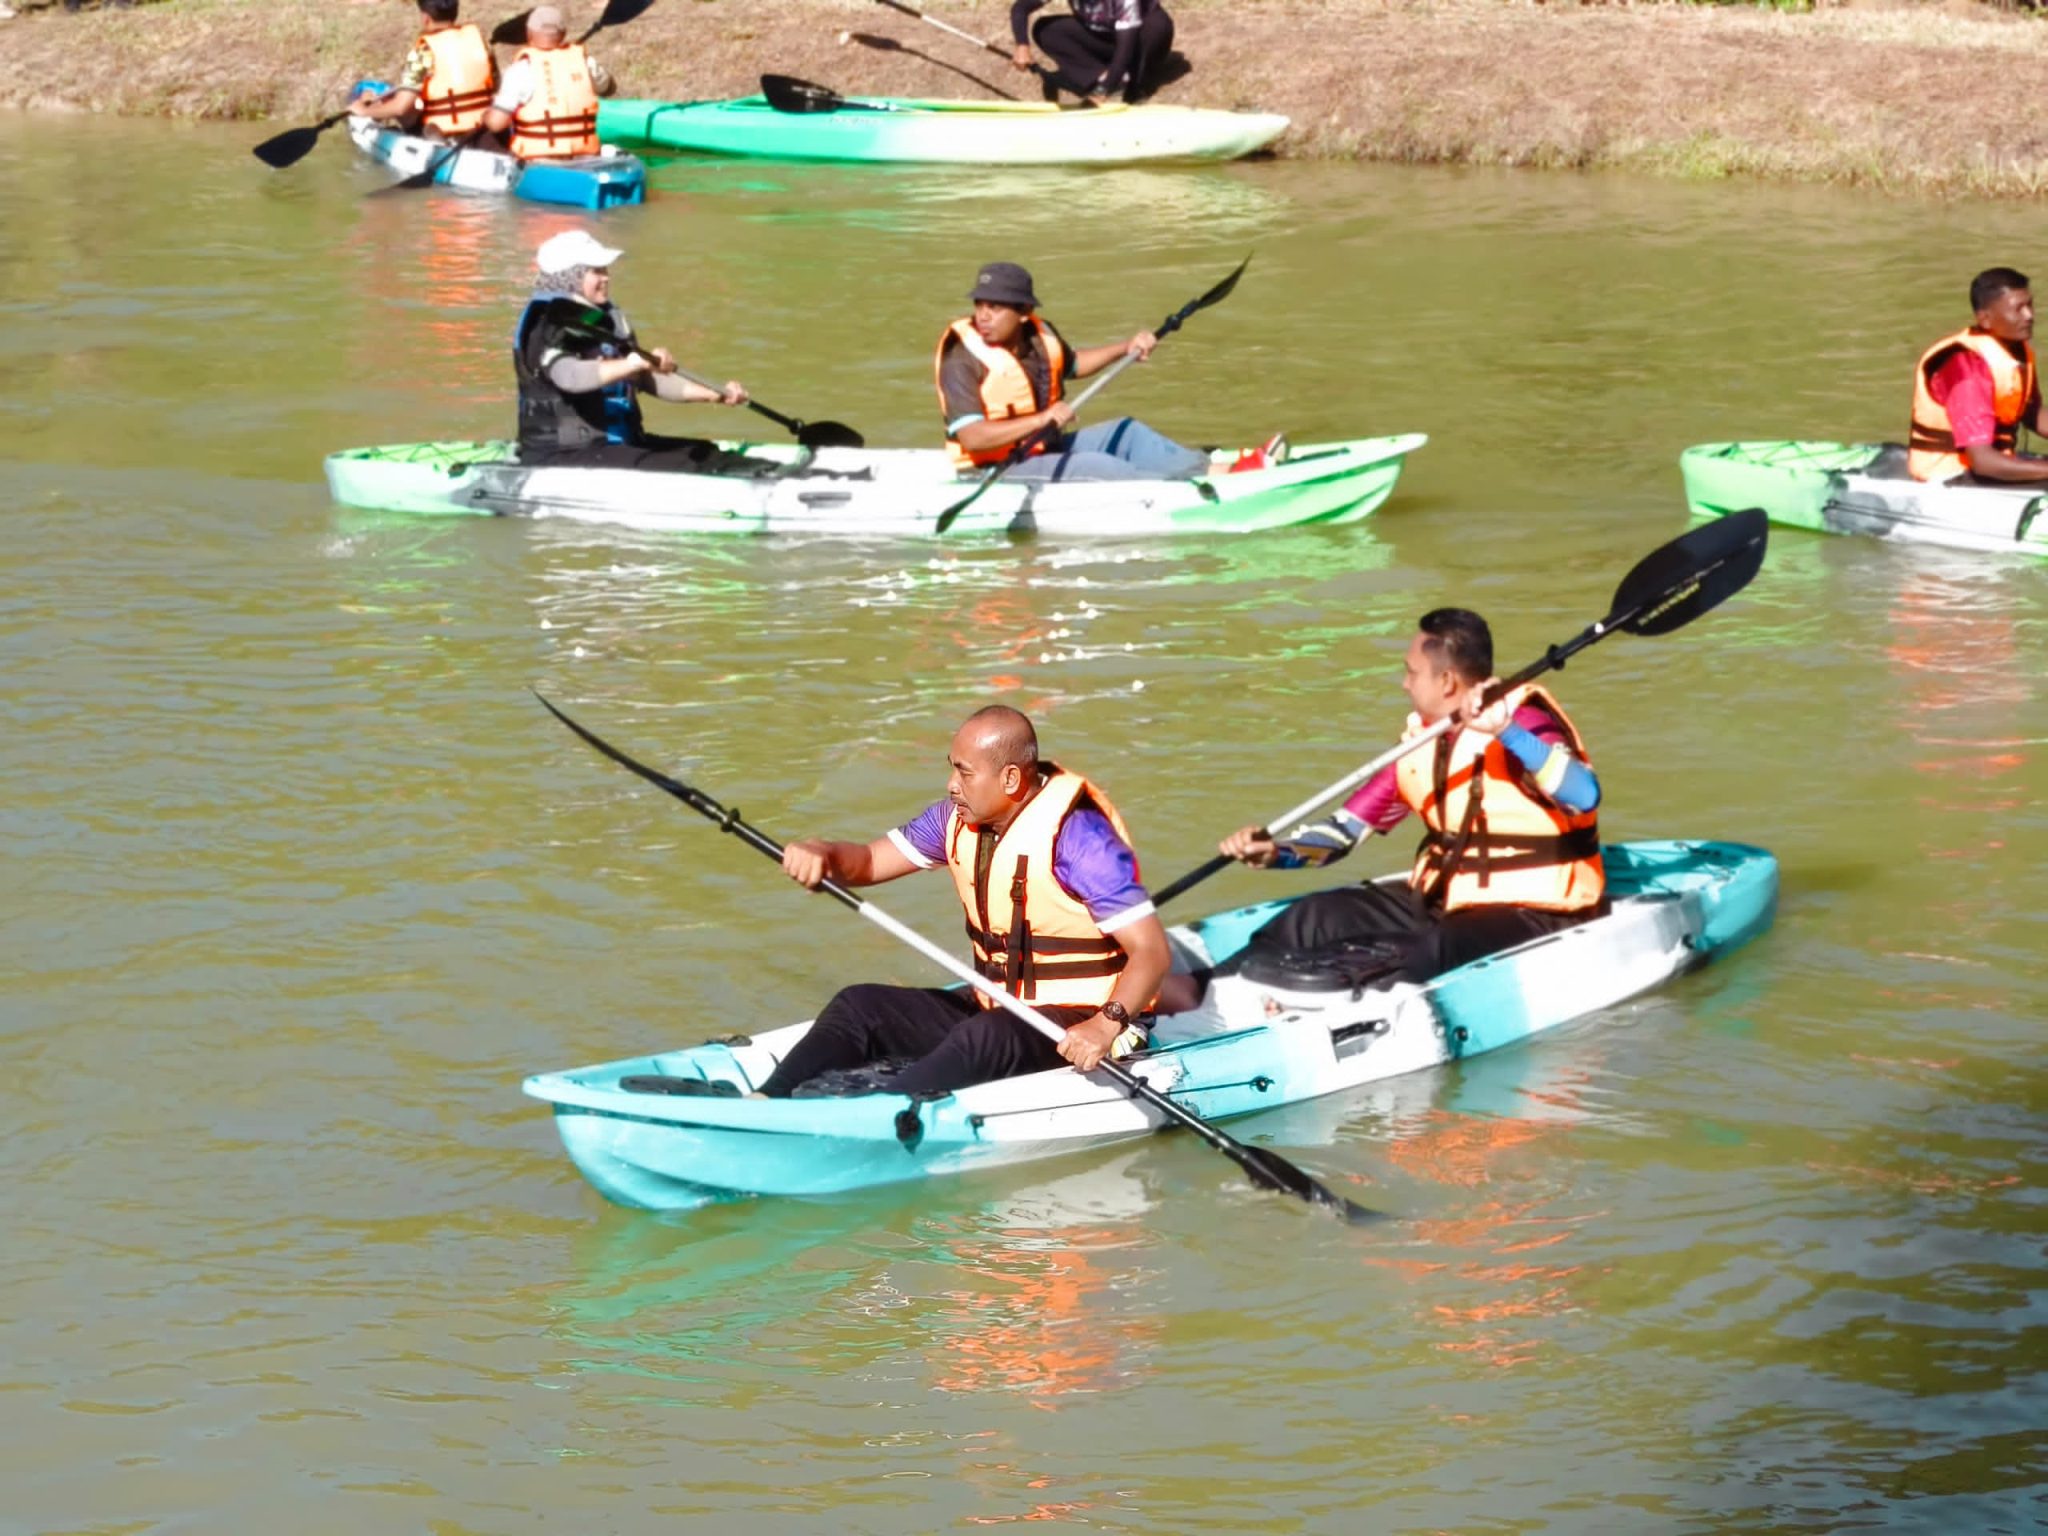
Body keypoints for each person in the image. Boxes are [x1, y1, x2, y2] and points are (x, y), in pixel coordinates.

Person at [744, 706, 1173, 1099]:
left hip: (1082, 1022)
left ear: (1009, 779)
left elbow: (1151, 951)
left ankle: (883, 1114)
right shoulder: (953, 820)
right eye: (952, 770)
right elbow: (869, 862)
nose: (952, 786)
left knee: (986, 1036)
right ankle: (766, 1100)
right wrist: (822, 852)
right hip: (1000, 1006)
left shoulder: (1081, 840)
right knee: (860, 1006)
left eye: (964, 774)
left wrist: (1104, 1024)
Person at [1202, 608, 1605, 991]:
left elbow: (1584, 796)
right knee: (1318, 916)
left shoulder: (1525, 720)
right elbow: (1344, 833)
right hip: (1445, 901)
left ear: (1446, 681)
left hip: (1536, 911)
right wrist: (1275, 853)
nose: (1405, 683)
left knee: (1435, 948)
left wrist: (1507, 731)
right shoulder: (1421, 742)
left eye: (1412, 673)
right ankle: (1206, 992)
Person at [935, 261, 1237, 484]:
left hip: (1042, 449)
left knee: (1127, 433)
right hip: (994, 469)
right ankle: (1190, 487)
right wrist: (1043, 419)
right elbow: (972, 438)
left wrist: (1126, 347)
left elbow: (1074, 364)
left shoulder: (1038, 337)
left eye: (996, 307)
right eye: (980, 305)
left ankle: (1213, 470)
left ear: (1024, 312)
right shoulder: (961, 358)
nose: (983, 317)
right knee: (1100, 466)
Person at [513, 229, 771, 475]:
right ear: (569, 276)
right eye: (597, 271)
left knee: (703, 452)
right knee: (684, 465)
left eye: (606, 270)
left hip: (614, 445)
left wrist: (713, 394)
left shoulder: (606, 318)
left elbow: (646, 379)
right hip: (562, 454)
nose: (606, 277)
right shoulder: (545, 323)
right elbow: (569, 377)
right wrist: (633, 363)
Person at [1909, 266, 2048, 485]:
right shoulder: (1967, 369)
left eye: (2029, 305)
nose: (2029, 315)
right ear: (1985, 319)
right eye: (2018, 308)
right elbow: (1983, 462)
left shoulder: (2015, 350)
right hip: (1951, 475)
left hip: (1993, 464)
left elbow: (2032, 412)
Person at [480, 4, 614, 162]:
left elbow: (496, 123)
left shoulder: (520, 70)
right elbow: (609, 88)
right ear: (563, 34)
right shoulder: (586, 63)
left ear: (528, 34)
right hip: (586, 160)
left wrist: (484, 117)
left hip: (540, 163)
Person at [347, 0, 497, 140]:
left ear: (425, 18)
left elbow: (401, 107)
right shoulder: (479, 39)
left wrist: (364, 111)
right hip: (483, 128)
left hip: (442, 132)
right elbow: (495, 85)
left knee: (400, 101)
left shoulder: (423, 51)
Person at [1010, 0, 1176, 105]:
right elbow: (1020, 8)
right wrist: (1022, 45)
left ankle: (1132, 85)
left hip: (1140, 39)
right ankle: (1102, 75)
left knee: (1155, 30)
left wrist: (1103, 91)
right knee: (1046, 30)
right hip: (1108, 37)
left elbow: (1126, 48)